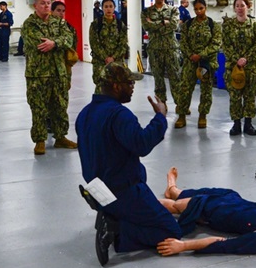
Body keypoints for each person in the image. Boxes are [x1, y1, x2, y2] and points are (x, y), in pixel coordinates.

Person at [76, 62, 183, 257]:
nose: (133, 87)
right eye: (129, 83)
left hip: (98, 190)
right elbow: (141, 144)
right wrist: (160, 117)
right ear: (116, 86)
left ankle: (111, 214)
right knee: (171, 231)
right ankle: (117, 232)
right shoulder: (119, 115)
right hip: (123, 191)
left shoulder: (85, 113)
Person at [155, 167, 256, 255]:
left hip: (214, 210)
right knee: (181, 195)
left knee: (175, 206)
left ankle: (138, 202)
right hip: (231, 198)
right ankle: (173, 189)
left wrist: (183, 246)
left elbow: (225, 244)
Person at [21, 0, 77, 155]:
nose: (46, 6)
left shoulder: (58, 21)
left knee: (60, 105)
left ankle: (61, 137)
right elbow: (38, 43)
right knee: (39, 108)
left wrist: (54, 43)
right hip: (37, 74)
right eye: (42, 3)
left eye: (48, 3)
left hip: (59, 72)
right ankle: (40, 140)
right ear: (35, 6)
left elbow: (69, 39)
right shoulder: (29, 24)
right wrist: (57, 42)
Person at [175, 0, 222, 129]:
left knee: (206, 91)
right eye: (196, 9)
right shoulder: (188, 24)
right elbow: (183, 42)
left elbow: (216, 43)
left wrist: (200, 55)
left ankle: (203, 116)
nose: (198, 11)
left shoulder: (213, 25)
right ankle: (181, 115)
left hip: (206, 62)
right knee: (185, 89)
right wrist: (191, 55)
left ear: (205, 8)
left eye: (201, 8)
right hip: (190, 62)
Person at [221, 0, 256, 136]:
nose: (240, 8)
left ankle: (249, 124)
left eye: (242, 5)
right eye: (237, 5)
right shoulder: (228, 25)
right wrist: (236, 59)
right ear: (234, 8)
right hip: (233, 68)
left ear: (248, 6)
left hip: (250, 67)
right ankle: (236, 124)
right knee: (235, 97)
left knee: (250, 97)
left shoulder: (255, 25)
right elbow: (225, 45)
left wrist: (246, 58)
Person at [141, 0, 180, 105]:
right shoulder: (146, 11)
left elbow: (174, 25)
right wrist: (164, 22)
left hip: (171, 49)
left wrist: (155, 23)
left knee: (175, 78)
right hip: (155, 49)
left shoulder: (173, 10)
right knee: (158, 79)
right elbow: (147, 27)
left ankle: (180, 105)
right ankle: (161, 104)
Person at [89, 0, 128, 93]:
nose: (108, 9)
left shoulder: (120, 25)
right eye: (106, 7)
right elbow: (94, 43)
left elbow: (123, 44)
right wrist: (106, 57)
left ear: (114, 7)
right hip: (100, 62)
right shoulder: (96, 24)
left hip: (117, 62)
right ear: (102, 8)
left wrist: (113, 58)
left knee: (116, 88)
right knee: (101, 87)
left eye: (111, 6)